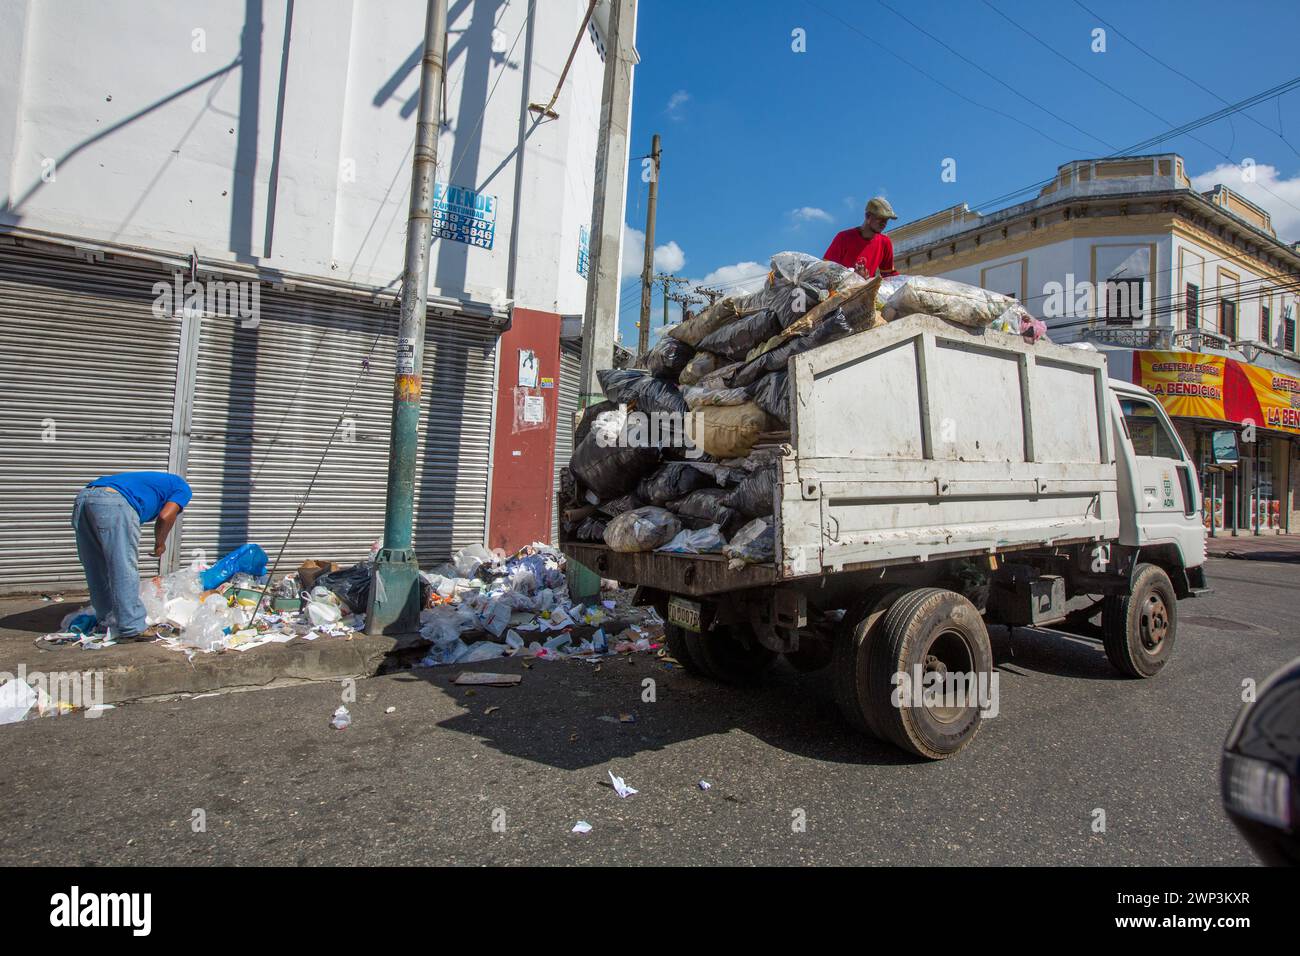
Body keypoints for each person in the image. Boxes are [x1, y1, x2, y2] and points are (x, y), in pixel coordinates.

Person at [71, 471, 192, 640]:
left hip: (84, 498)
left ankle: (106, 622)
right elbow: (166, 516)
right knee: (122, 566)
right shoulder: (183, 488)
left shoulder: (154, 481)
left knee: (95, 567)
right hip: (114, 502)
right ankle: (132, 626)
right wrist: (160, 543)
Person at [823, 196, 899, 278]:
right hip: (838, 289)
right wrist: (854, 277)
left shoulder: (885, 243)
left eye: (886, 220)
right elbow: (824, 271)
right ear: (868, 216)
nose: (884, 223)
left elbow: (889, 276)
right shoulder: (844, 238)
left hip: (867, 290)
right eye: (880, 218)